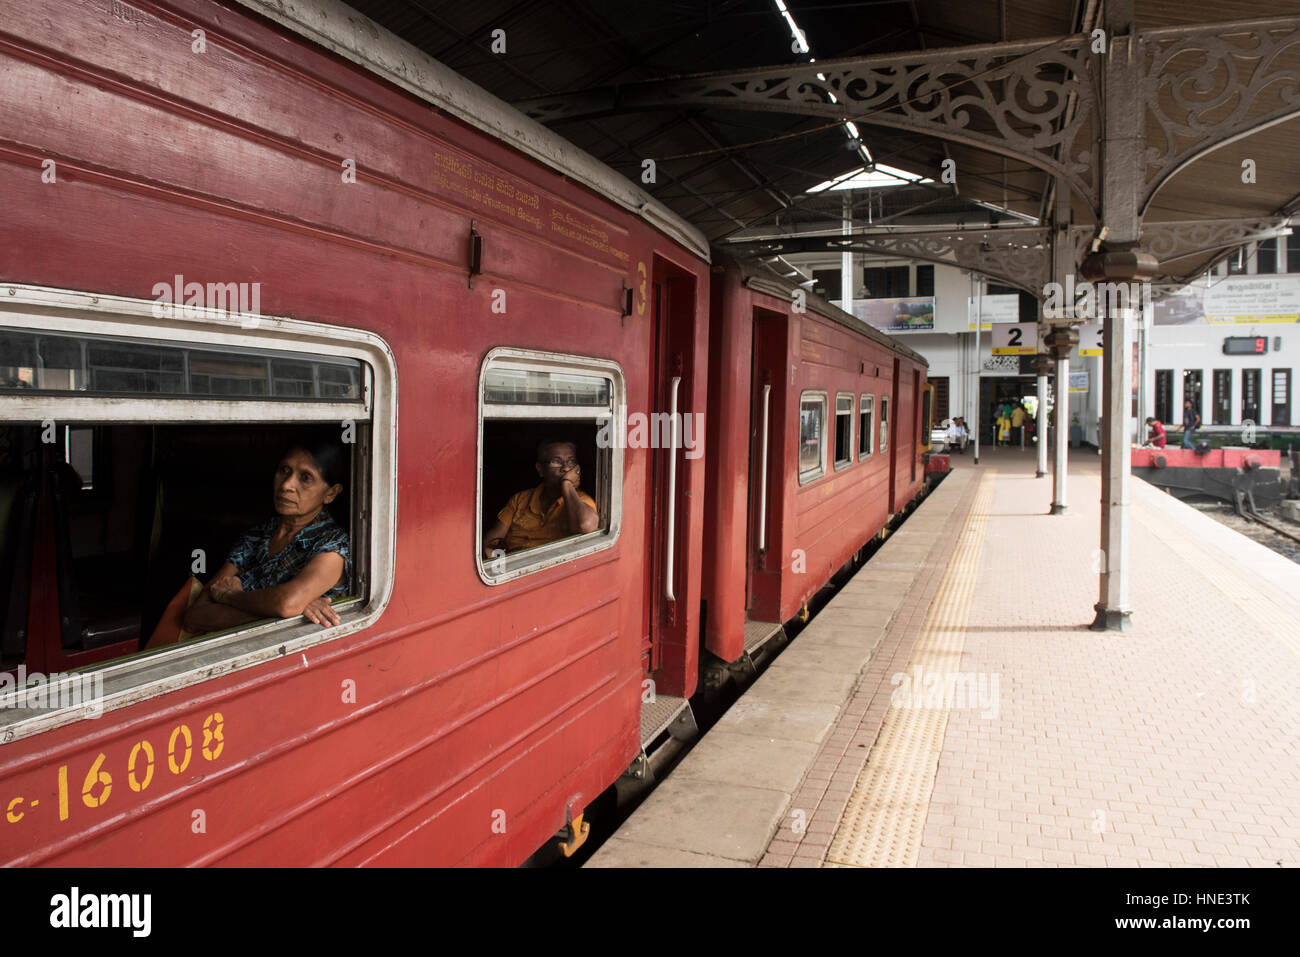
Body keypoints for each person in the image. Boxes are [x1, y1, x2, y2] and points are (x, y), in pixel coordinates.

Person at [181, 439, 351, 635]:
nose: (286, 485)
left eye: (305, 478)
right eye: (284, 471)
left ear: (330, 493)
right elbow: (195, 617)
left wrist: (233, 597)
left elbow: (286, 603)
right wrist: (292, 613)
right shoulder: (257, 535)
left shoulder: (332, 545)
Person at [484, 440, 599, 557]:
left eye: (571, 462)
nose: (565, 468)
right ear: (540, 469)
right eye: (556, 462)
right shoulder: (520, 499)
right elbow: (491, 543)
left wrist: (566, 484)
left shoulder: (580, 501)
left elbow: (585, 525)